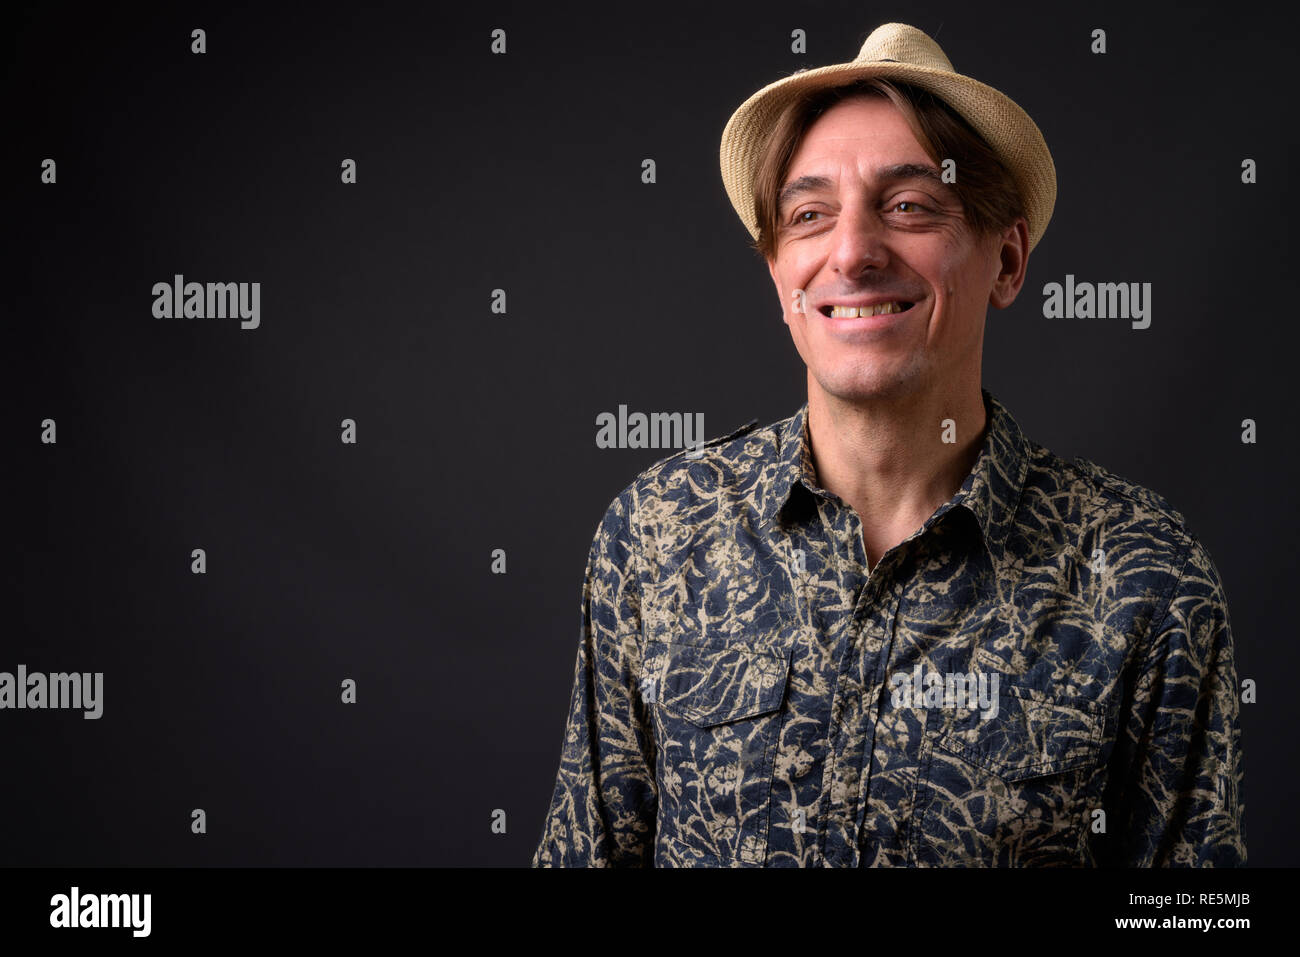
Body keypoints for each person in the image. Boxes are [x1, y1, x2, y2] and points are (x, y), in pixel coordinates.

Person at [532, 21, 1245, 867]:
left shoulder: (1143, 576)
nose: (853, 252)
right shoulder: (654, 536)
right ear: (778, 276)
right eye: (810, 214)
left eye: (907, 206)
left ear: (1007, 258)